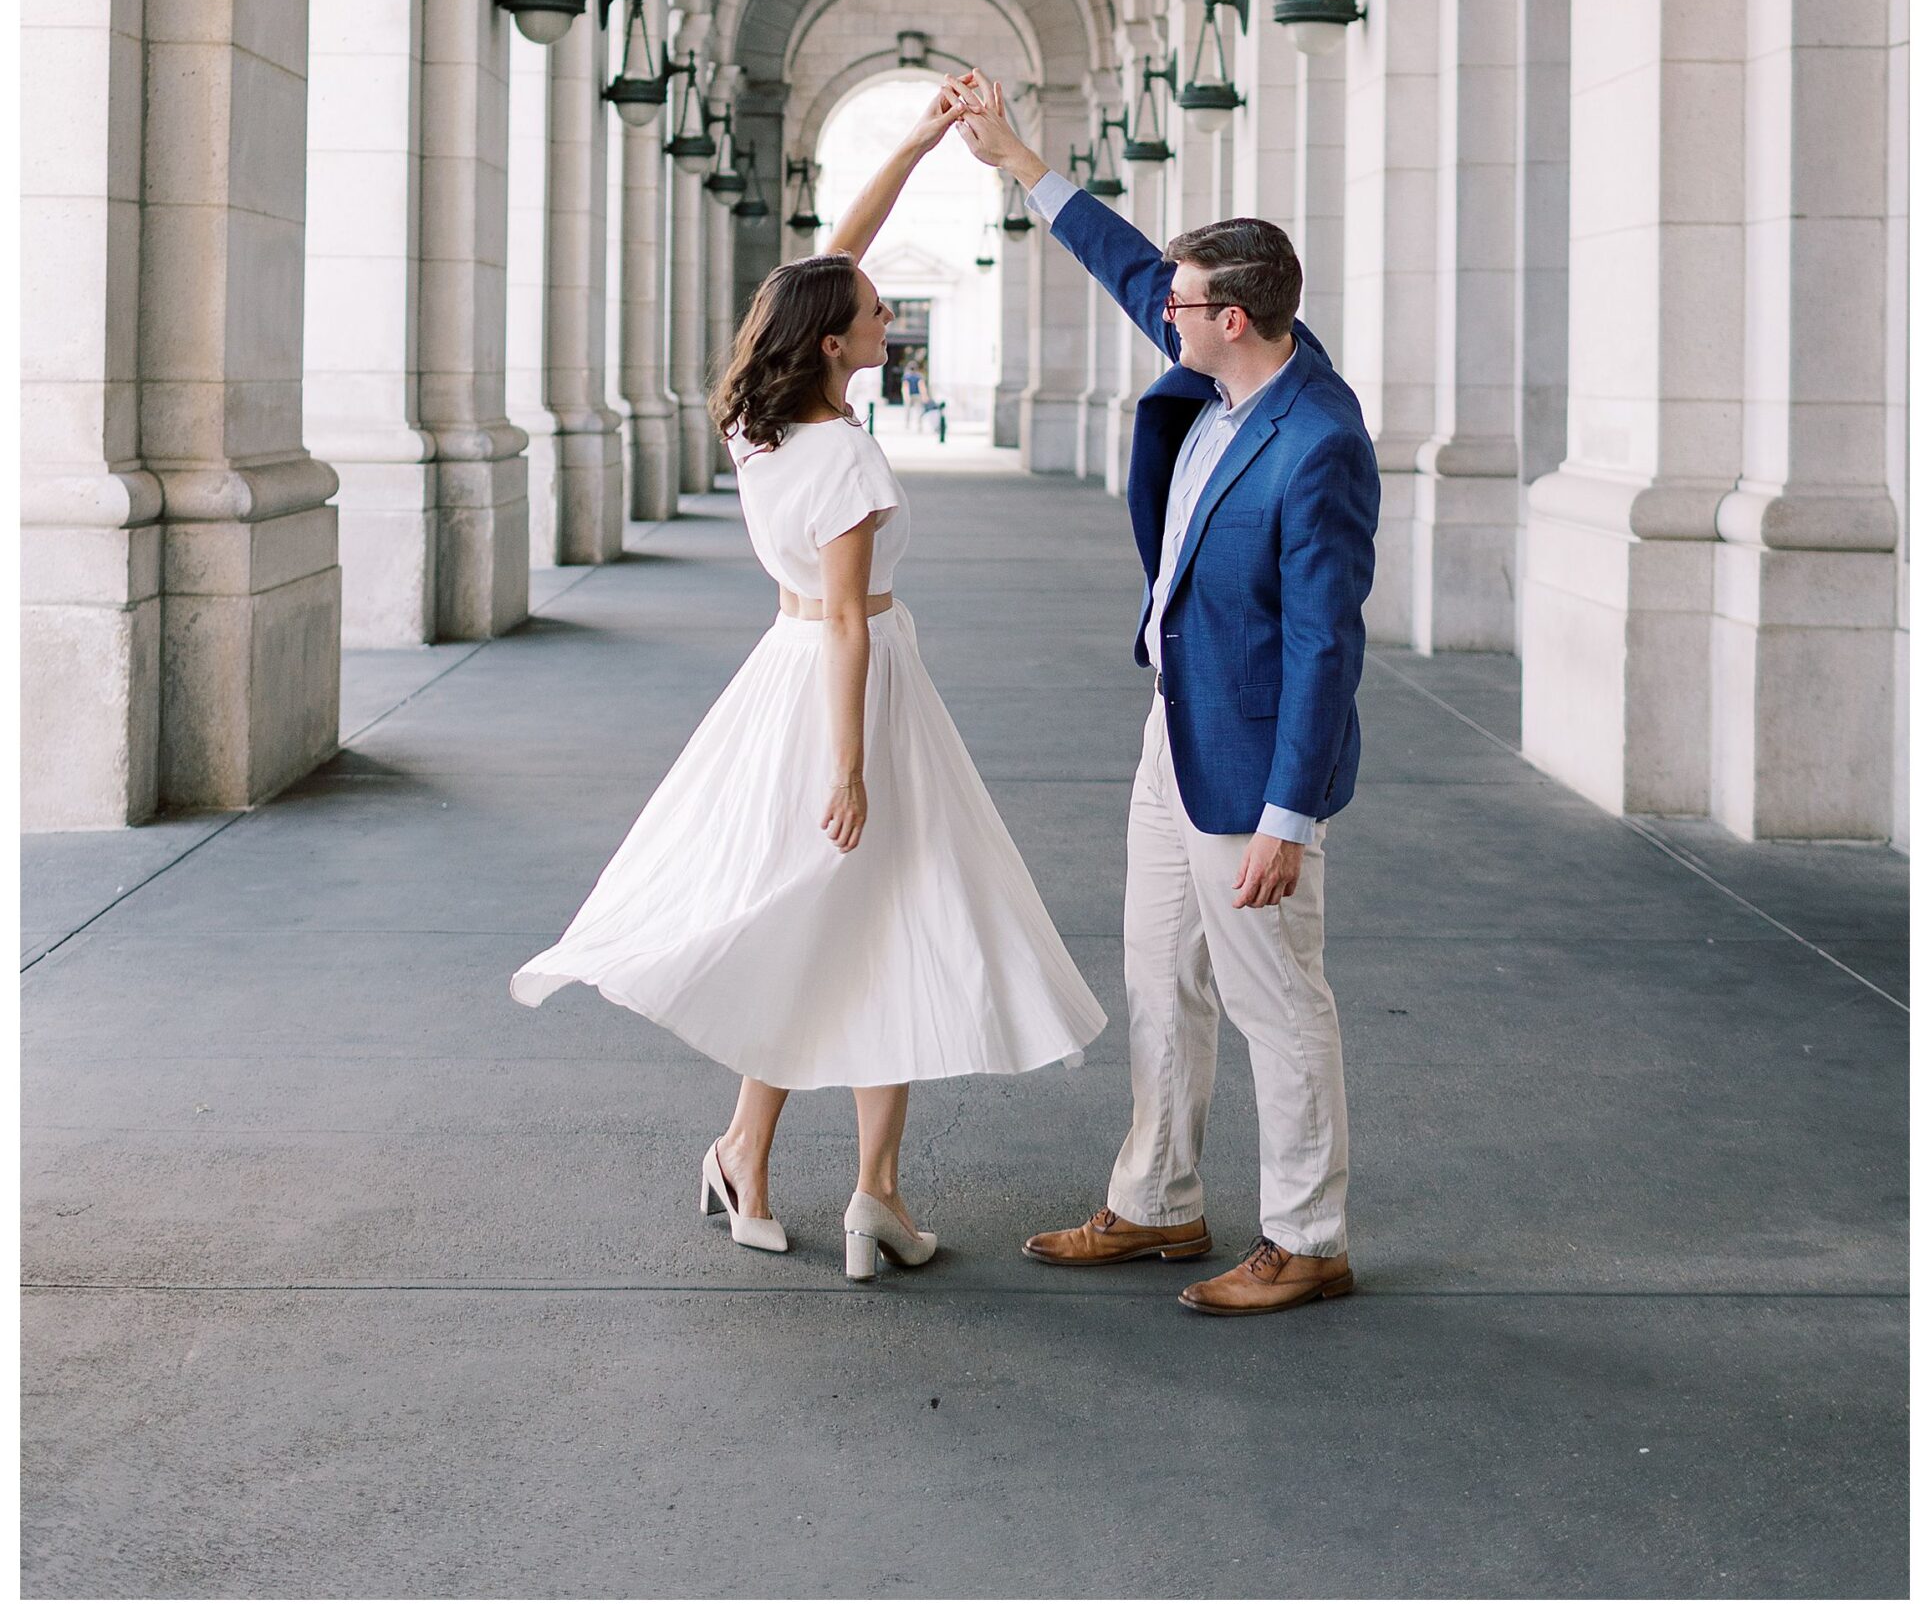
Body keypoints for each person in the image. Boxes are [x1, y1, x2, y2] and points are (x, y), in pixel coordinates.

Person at [510, 84, 1105, 1282]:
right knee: (889, 913)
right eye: (874, 313)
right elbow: (847, 621)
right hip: (851, 689)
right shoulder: (845, 459)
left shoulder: (761, 425)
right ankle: (841, 1180)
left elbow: (827, 263)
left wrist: (918, 144)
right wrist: (850, 766)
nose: (886, 313)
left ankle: (797, 1167)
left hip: (785, 677)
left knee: (832, 917)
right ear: (834, 344)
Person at [948, 72, 1378, 1319]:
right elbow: (1133, 265)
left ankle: (1307, 1236)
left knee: (1274, 997)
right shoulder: (1233, 362)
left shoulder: (1319, 444)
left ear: (1233, 318)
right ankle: (1157, 1198)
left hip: (1250, 757)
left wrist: (1288, 818)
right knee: (1159, 972)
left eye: (1181, 306)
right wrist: (1018, 160)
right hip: (1174, 725)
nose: (1160, 312)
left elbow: (1325, 647)